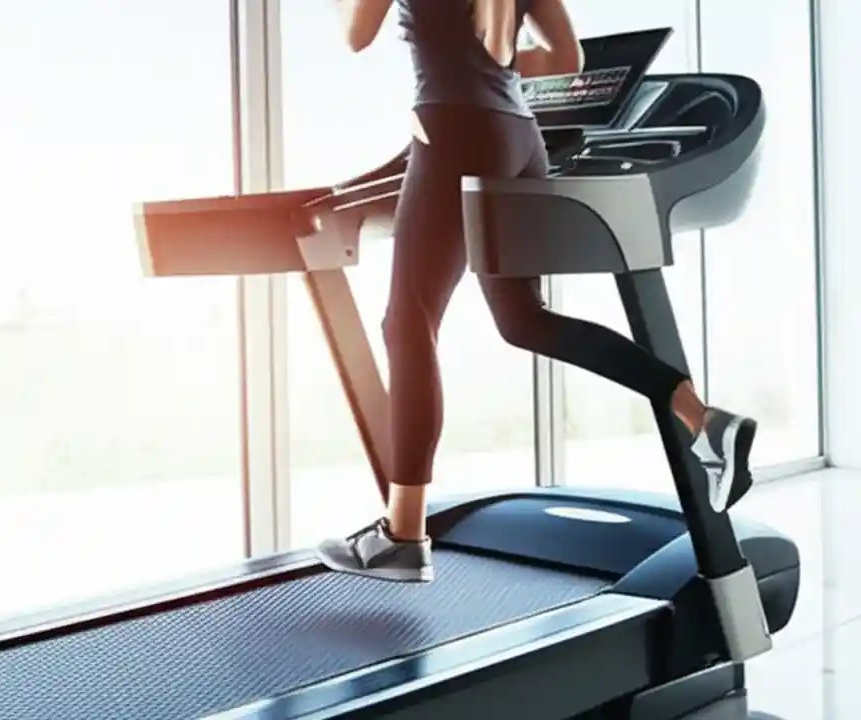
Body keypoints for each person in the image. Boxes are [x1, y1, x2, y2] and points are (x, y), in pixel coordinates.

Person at [316, 0, 758, 584]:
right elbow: (566, 59)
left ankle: (402, 535)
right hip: (520, 137)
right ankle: (701, 417)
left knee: (408, 324)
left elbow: (355, 35)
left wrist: (456, 65)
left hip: (451, 128)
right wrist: (487, 64)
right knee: (524, 321)